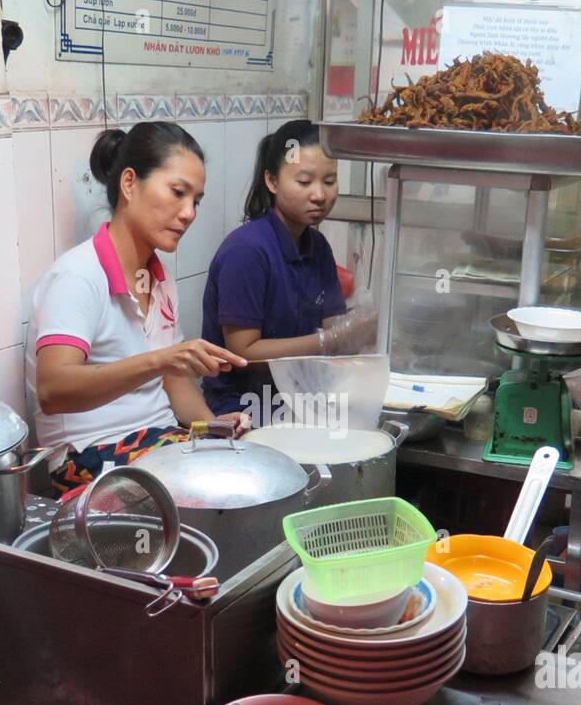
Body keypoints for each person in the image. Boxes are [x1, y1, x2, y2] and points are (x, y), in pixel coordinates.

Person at [26, 121, 249, 497]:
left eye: (196, 200)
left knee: (242, 460)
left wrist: (213, 428)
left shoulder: (159, 281)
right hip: (86, 456)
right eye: (178, 193)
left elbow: (174, 381)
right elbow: (53, 390)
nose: (189, 213)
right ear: (129, 183)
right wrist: (161, 360)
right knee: (214, 486)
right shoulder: (77, 276)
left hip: (158, 441)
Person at [200, 119, 376, 419]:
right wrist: (327, 343)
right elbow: (243, 352)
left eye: (330, 181)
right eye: (305, 182)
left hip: (300, 397)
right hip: (246, 408)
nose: (319, 195)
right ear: (272, 181)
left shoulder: (316, 245)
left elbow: (333, 323)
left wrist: (364, 328)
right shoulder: (247, 251)